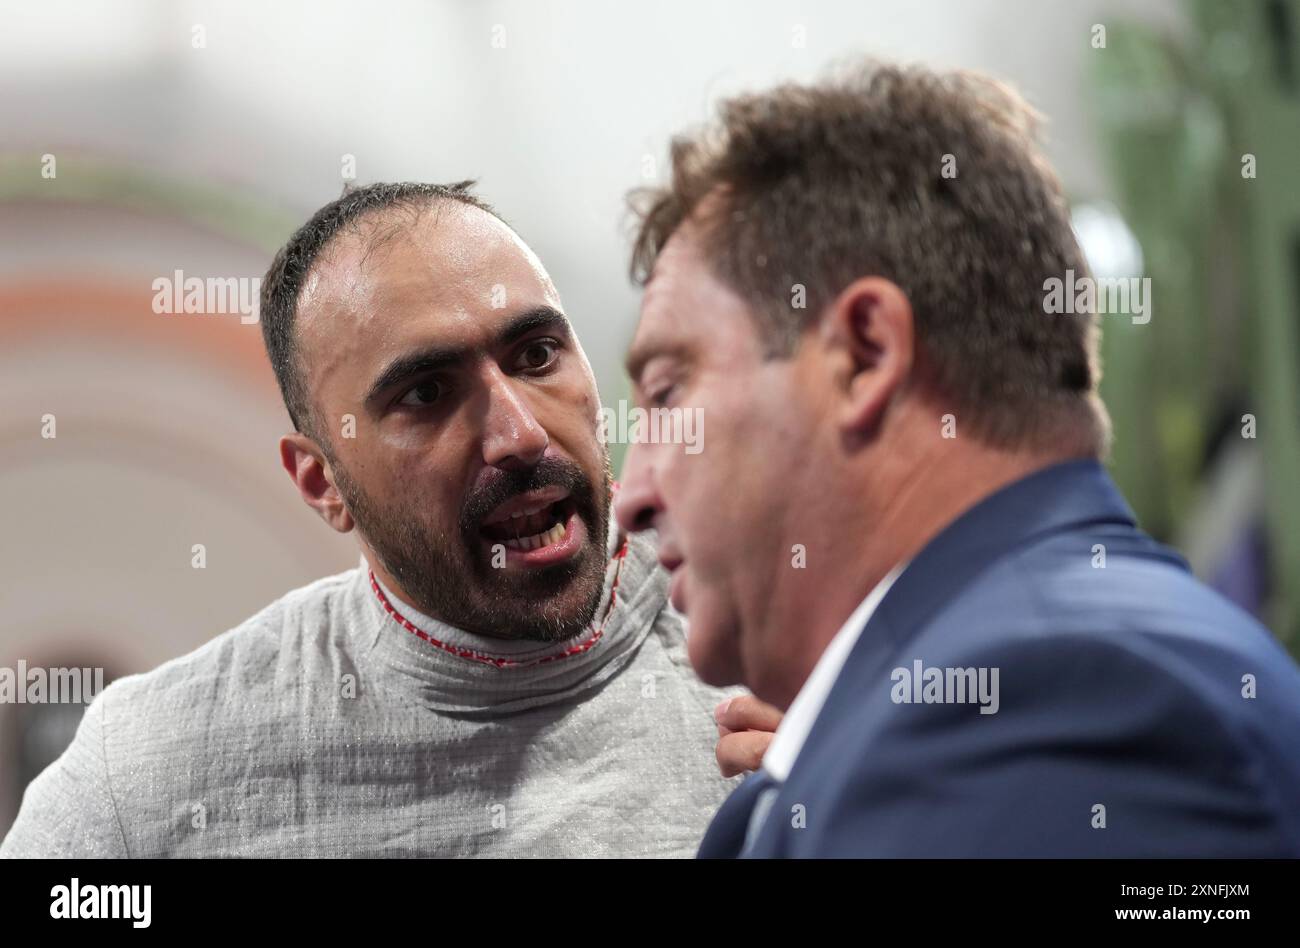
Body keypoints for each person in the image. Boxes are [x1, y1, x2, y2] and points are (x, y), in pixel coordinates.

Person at [613, 62, 1300, 857]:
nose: (630, 494)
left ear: (863, 356)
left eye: (666, 394)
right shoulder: (997, 699)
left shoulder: (1039, 711)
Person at [2, 182, 740, 858]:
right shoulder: (150, 771)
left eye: (537, 354)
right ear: (323, 482)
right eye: (425, 394)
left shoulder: (777, 661)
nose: (518, 435)